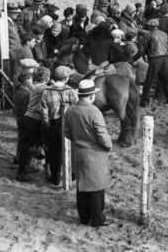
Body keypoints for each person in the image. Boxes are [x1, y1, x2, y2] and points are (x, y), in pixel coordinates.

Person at [64, 79, 113, 227]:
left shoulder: (70, 110)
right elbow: (102, 135)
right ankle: (97, 219)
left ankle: (84, 217)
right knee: (97, 187)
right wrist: (108, 145)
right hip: (95, 153)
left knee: (82, 185)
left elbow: (67, 132)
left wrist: (79, 140)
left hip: (80, 151)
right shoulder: (94, 111)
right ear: (91, 96)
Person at [41, 78, 76, 186]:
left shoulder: (47, 91)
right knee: (72, 150)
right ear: (66, 78)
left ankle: (55, 178)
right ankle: (72, 175)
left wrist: (47, 124)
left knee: (55, 151)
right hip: (69, 123)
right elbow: (75, 107)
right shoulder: (71, 91)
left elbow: (44, 112)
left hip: (54, 124)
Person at [141, 19, 168, 106]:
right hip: (165, 57)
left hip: (155, 58)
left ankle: (144, 101)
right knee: (165, 79)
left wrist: (140, 56)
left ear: (151, 26)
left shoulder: (149, 34)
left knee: (149, 80)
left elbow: (144, 48)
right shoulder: (164, 34)